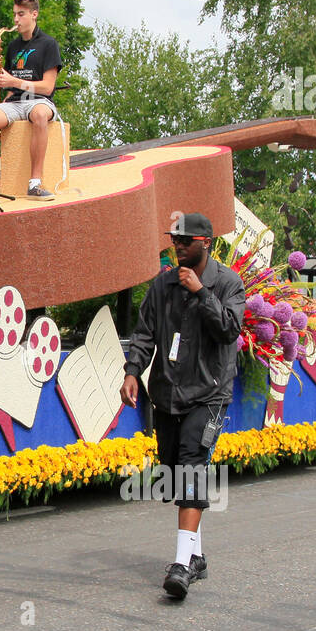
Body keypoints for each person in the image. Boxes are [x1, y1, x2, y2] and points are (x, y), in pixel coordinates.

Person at [121, 212, 245, 600]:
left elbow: (229, 329)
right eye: (174, 240)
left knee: (192, 466)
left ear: (205, 243)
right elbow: (143, 333)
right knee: (175, 473)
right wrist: (131, 372)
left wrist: (201, 293)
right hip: (168, 392)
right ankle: (197, 556)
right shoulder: (162, 285)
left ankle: (180, 566)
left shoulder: (228, 283)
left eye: (185, 241)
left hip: (209, 395)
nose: (177, 247)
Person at [0, 0, 64, 199]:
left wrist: (14, 82)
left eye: (21, 14)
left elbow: (48, 87)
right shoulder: (13, 46)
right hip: (15, 101)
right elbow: (9, 81)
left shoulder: (49, 44)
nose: (16, 19)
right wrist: (3, 86)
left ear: (34, 14)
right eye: (15, 14)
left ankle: (35, 183)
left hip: (40, 101)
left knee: (40, 115)